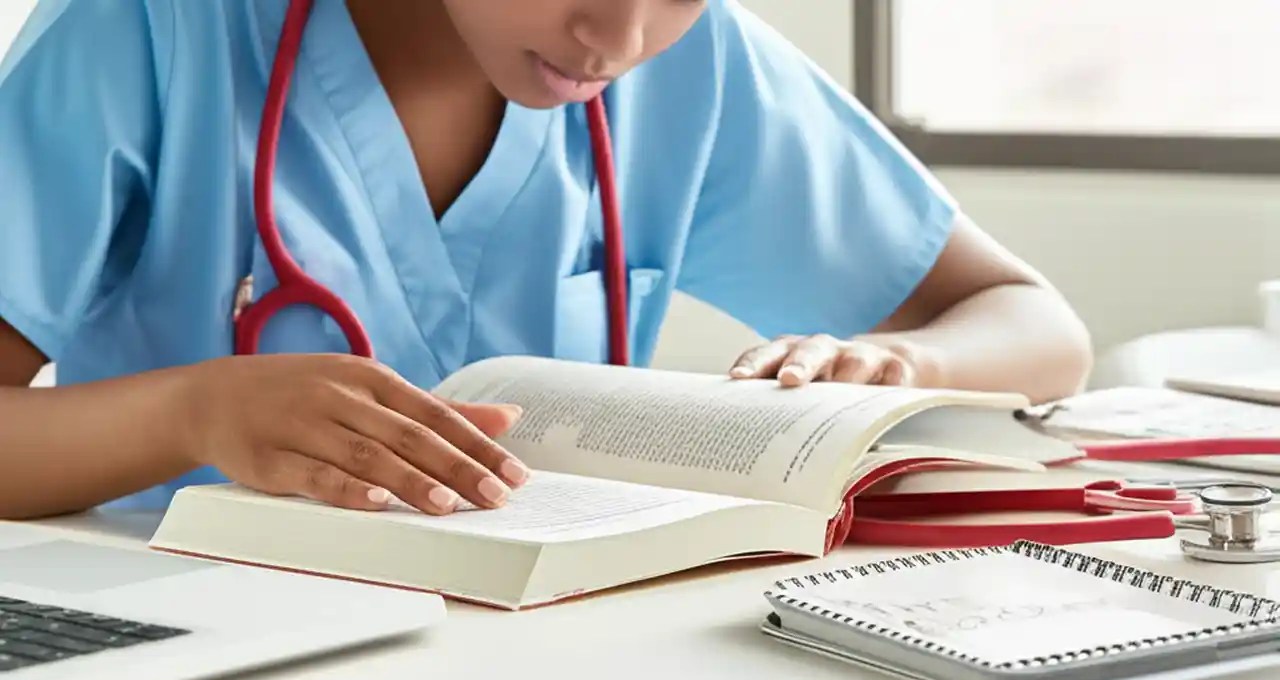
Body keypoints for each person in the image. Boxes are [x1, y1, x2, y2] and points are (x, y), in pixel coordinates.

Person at [0, 0, 1092, 521]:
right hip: (198, 646)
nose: (617, 38)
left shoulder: (695, 67)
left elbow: (1034, 326)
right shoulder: (146, 31)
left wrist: (903, 367)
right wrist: (193, 416)